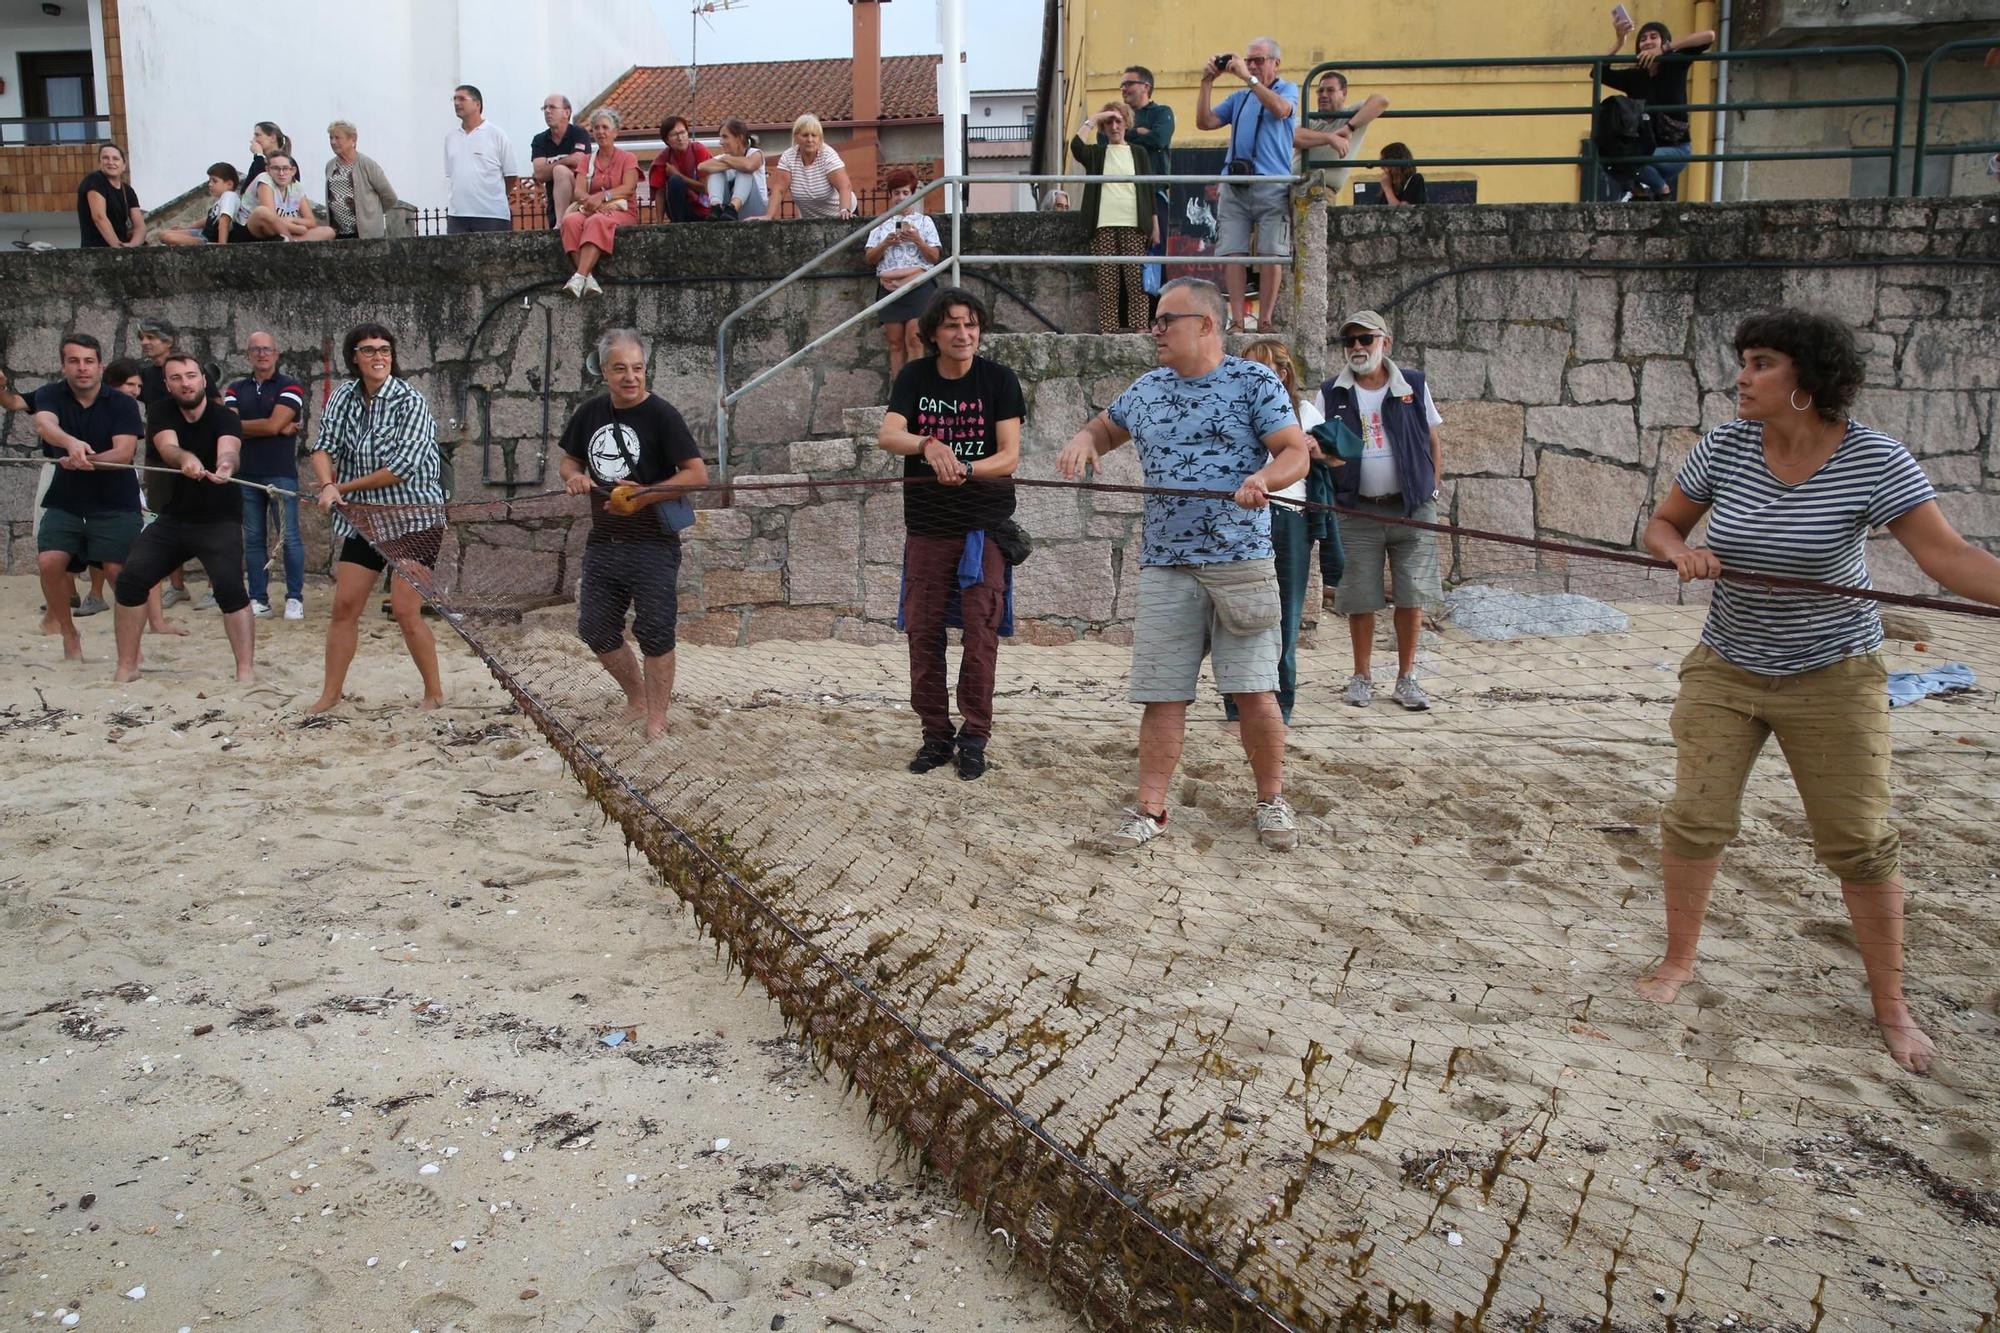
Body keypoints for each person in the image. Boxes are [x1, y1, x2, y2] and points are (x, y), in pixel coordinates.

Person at [1637, 309, 2000, 1075]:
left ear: (1808, 376)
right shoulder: (1726, 447)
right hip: (1727, 664)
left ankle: (1891, 1007)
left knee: (1859, 840)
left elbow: (1950, 558)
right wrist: (1683, 552)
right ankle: (1677, 962)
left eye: (1762, 361)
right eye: (1743, 359)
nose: (1743, 375)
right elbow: (1662, 525)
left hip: (1835, 672)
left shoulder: (1874, 459)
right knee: (1696, 816)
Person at [1056, 278, 1309, 851]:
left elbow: (1294, 453)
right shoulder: (1146, 389)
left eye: (1167, 319)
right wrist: (1084, 441)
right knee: (1161, 692)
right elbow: (1105, 426)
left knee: (1254, 690)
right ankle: (1150, 809)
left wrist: (1262, 479)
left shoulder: (1253, 381)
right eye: (1155, 319)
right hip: (1167, 565)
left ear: (1206, 325)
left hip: (1240, 562)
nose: (1156, 330)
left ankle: (1272, 801)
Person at [875, 288, 1026, 781]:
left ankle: (975, 736)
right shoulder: (914, 377)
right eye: (953, 326)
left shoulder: (999, 380)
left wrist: (963, 465)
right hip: (927, 528)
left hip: (983, 527)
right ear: (934, 334)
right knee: (923, 632)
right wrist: (929, 443)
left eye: (971, 325)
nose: (964, 334)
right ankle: (935, 736)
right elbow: (888, 434)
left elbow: (1008, 457)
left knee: (981, 633)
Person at [557, 329, 708, 741]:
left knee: (656, 631)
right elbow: (568, 461)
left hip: (654, 542)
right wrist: (574, 478)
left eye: (638, 368)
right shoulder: (589, 413)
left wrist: (644, 496)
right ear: (604, 371)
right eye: (620, 369)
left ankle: (656, 719)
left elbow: (696, 474)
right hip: (604, 540)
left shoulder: (663, 415)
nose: (631, 377)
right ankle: (636, 697)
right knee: (595, 629)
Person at [306, 324, 447, 713]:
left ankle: (434, 693)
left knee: (405, 609)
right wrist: (325, 483)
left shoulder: (410, 401)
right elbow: (322, 447)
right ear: (354, 357)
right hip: (364, 520)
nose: (378, 357)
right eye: (368, 350)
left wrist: (341, 488)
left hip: (415, 518)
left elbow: (401, 468)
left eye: (384, 350)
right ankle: (330, 695)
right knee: (344, 607)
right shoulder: (343, 396)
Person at [1316, 309, 1444, 712]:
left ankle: (1407, 678)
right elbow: (1316, 446)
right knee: (1359, 597)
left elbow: (1433, 439)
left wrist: (1432, 488)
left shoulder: (1413, 385)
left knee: (1412, 594)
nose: (1357, 347)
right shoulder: (1330, 392)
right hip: (1356, 510)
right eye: (1349, 341)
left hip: (1412, 508)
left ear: (1385, 343)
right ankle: (1362, 676)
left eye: (1365, 339)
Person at [113, 355, 253, 684]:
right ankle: (127, 666)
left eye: (191, 375)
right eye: (176, 378)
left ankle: (245, 671)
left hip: (219, 519)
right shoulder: (161, 411)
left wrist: (225, 467)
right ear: (167, 385)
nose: (185, 383)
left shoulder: (225, 417)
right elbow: (169, 448)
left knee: (230, 589)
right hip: (173, 517)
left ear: (204, 380)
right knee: (131, 581)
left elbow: (230, 451)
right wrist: (185, 459)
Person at [1222, 339, 1327, 730]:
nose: (1250, 375)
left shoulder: (1303, 411)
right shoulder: (1233, 408)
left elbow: (1339, 455)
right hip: (1240, 515)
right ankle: (1236, 701)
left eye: (1261, 367)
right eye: (1245, 366)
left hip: (1287, 516)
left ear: (1282, 373)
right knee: (1237, 611)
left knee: (1285, 612)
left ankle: (1281, 702)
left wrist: (1315, 448)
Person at [30, 334, 142, 662]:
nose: (82, 368)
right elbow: (43, 423)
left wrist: (86, 460)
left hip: (115, 500)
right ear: (63, 365)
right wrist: (71, 443)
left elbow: (124, 453)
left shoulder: (122, 403)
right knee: (49, 562)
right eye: (74, 361)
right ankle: (68, 632)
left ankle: (132, 646)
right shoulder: (50, 394)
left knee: (119, 574)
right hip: (66, 498)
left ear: (100, 366)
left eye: (88, 361)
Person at [1196, 38, 1299, 331]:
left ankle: (1265, 321)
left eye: (1259, 60)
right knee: (1233, 254)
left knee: (1271, 255)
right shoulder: (1240, 98)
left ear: (1275, 64)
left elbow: (1281, 110)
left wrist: (1247, 76)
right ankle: (1238, 322)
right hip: (1236, 183)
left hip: (1272, 184)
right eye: (1249, 60)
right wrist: (1206, 82)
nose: (1252, 65)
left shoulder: (1287, 90)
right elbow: (1204, 122)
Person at [225, 332, 307, 619]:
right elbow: (229, 425)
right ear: (247, 354)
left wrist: (261, 426)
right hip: (246, 473)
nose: (262, 354)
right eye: (256, 349)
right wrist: (273, 425)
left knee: (290, 538)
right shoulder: (235, 388)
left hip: (280, 473)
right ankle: (258, 598)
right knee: (254, 539)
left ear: (276, 353)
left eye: (267, 349)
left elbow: (271, 425)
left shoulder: (290, 385)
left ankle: (294, 597)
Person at [1603, 14, 1716, 200]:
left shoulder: (1675, 64)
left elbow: (1709, 36)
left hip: (1676, 150)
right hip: (1645, 152)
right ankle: (1641, 191)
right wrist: (1620, 40)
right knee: (1609, 151)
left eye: (1653, 36)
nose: (1647, 41)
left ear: (1664, 40)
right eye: (1642, 39)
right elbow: (1599, 72)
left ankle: (1661, 190)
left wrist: (1666, 49)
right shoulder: (1635, 77)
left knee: (1634, 156)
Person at [1070, 102, 1156, 334]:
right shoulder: (1097, 153)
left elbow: (1149, 189)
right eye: (1109, 122)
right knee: (1107, 280)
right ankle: (1108, 328)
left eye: (1118, 121)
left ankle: (1140, 326)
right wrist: (1094, 118)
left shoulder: (1138, 153)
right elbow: (1076, 146)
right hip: (1104, 223)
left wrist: (1154, 224)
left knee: (1135, 279)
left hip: (1134, 223)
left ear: (1127, 123)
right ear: (1103, 127)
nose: (1114, 126)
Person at [863, 169, 944, 374]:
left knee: (915, 340)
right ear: (890, 195)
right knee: (895, 343)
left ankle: (915, 392)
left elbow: (934, 257)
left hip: (919, 286)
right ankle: (899, 393)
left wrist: (917, 239)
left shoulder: (925, 222)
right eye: (897, 192)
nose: (901, 197)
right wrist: (885, 244)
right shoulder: (881, 224)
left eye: (906, 193)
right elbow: (870, 259)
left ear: (914, 194)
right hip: (889, 288)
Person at [559, 109, 639, 298]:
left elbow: (628, 187)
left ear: (615, 132)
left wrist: (602, 197)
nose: (601, 131)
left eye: (605, 127)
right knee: (570, 221)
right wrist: (592, 201)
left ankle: (579, 276)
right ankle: (589, 279)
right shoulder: (587, 160)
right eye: (596, 128)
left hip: (621, 210)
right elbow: (578, 190)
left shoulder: (628, 158)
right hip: (593, 208)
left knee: (596, 222)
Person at [1294, 73, 1391, 196]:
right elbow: (1292, 136)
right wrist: (1330, 138)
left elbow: (1381, 101)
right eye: (1320, 91)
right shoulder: (1308, 117)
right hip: (1294, 185)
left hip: (1324, 190)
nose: (1323, 95)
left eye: (1330, 90)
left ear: (1344, 93)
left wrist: (1349, 128)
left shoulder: (1352, 115)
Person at [444, 84, 520, 234]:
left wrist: (492, 196)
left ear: (477, 104)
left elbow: (511, 175)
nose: (456, 103)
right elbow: (451, 174)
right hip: (457, 216)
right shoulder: (450, 138)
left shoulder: (497, 135)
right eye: (454, 99)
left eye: (462, 99)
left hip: (491, 215)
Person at [759, 114, 855, 221]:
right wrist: (768, 216)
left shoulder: (828, 155)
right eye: (805, 135)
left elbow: (844, 186)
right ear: (796, 137)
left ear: (820, 138)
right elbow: (779, 189)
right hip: (810, 219)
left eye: (814, 135)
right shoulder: (788, 157)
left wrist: (844, 210)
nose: (810, 140)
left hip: (841, 215)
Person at [324, 121, 399, 240]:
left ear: (352, 139)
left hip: (365, 236)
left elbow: (390, 197)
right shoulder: (330, 166)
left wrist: (371, 215)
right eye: (331, 138)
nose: (333, 142)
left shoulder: (367, 164)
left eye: (337, 138)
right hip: (338, 234)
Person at [239, 153, 336, 242]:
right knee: (261, 212)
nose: (281, 173)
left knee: (328, 231)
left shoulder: (297, 187)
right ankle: (290, 242)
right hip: (255, 229)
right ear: (268, 170)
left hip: (282, 231)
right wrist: (298, 228)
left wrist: (293, 220)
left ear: (293, 171)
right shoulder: (264, 179)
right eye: (276, 168)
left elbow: (311, 221)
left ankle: (286, 240)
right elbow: (270, 217)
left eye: (285, 168)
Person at [531, 93, 591, 225]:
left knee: (559, 171)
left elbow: (579, 161)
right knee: (559, 169)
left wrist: (553, 167)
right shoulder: (539, 140)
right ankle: (560, 223)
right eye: (544, 108)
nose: (547, 111)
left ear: (566, 112)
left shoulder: (579, 133)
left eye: (552, 107)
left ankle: (561, 224)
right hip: (554, 205)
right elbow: (540, 174)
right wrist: (566, 160)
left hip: (579, 202)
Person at [697, 117, 767, 220]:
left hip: (755, 209)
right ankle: (716, 207)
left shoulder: (755, 153)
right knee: (715, 171)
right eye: (720, 137)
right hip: (727, 213)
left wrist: (729, 161)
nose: (721, 142)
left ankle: (733, 207)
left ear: (739, 138)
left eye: (725, 137)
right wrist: (729, 161)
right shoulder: (724, 157)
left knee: (744, 170)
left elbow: (749, 165)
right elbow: (701, 167)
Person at [77, 143, 145, 249]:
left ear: (124, 165)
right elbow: (99, 217)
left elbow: (140, 226)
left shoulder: (128, 191)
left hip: (121, 249)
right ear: (99, 163)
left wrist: (132, 245)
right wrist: (118, 248)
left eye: (115, 158)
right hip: (97, 250)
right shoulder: (95, 180)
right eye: (105, 158)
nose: (110, 162)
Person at [647, 116, 712, 222]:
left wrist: (677, 174)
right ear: (666, 140)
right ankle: (678, 225)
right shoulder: (664, 159)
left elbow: (705, 188)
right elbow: (660, 193)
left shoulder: (699, 150)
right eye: (674, 135)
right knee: (674, 182)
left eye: (683, 133)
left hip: (704, 209)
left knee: (676, 178)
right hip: (678, 209)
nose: (680, 138)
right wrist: (659, 223)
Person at [158, 163, 241, 246]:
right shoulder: (220, 200)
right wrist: (187, 229)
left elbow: (224, 221)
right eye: (210, 181)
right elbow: (206, 221)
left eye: (214, 181)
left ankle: (200, 244)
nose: (210, 184)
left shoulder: (229, 196)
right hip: (201, 233)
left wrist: (222, 246)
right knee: (163, 234)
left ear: (229, 184)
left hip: (206, 239)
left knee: (167, 236)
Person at [242, 122, 289, 195]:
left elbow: (263, 182)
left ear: (273, 138)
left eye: (257, 135)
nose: (253, 140)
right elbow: (245, 190)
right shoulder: (258, 162)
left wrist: (258, 155)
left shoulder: (288, 163)